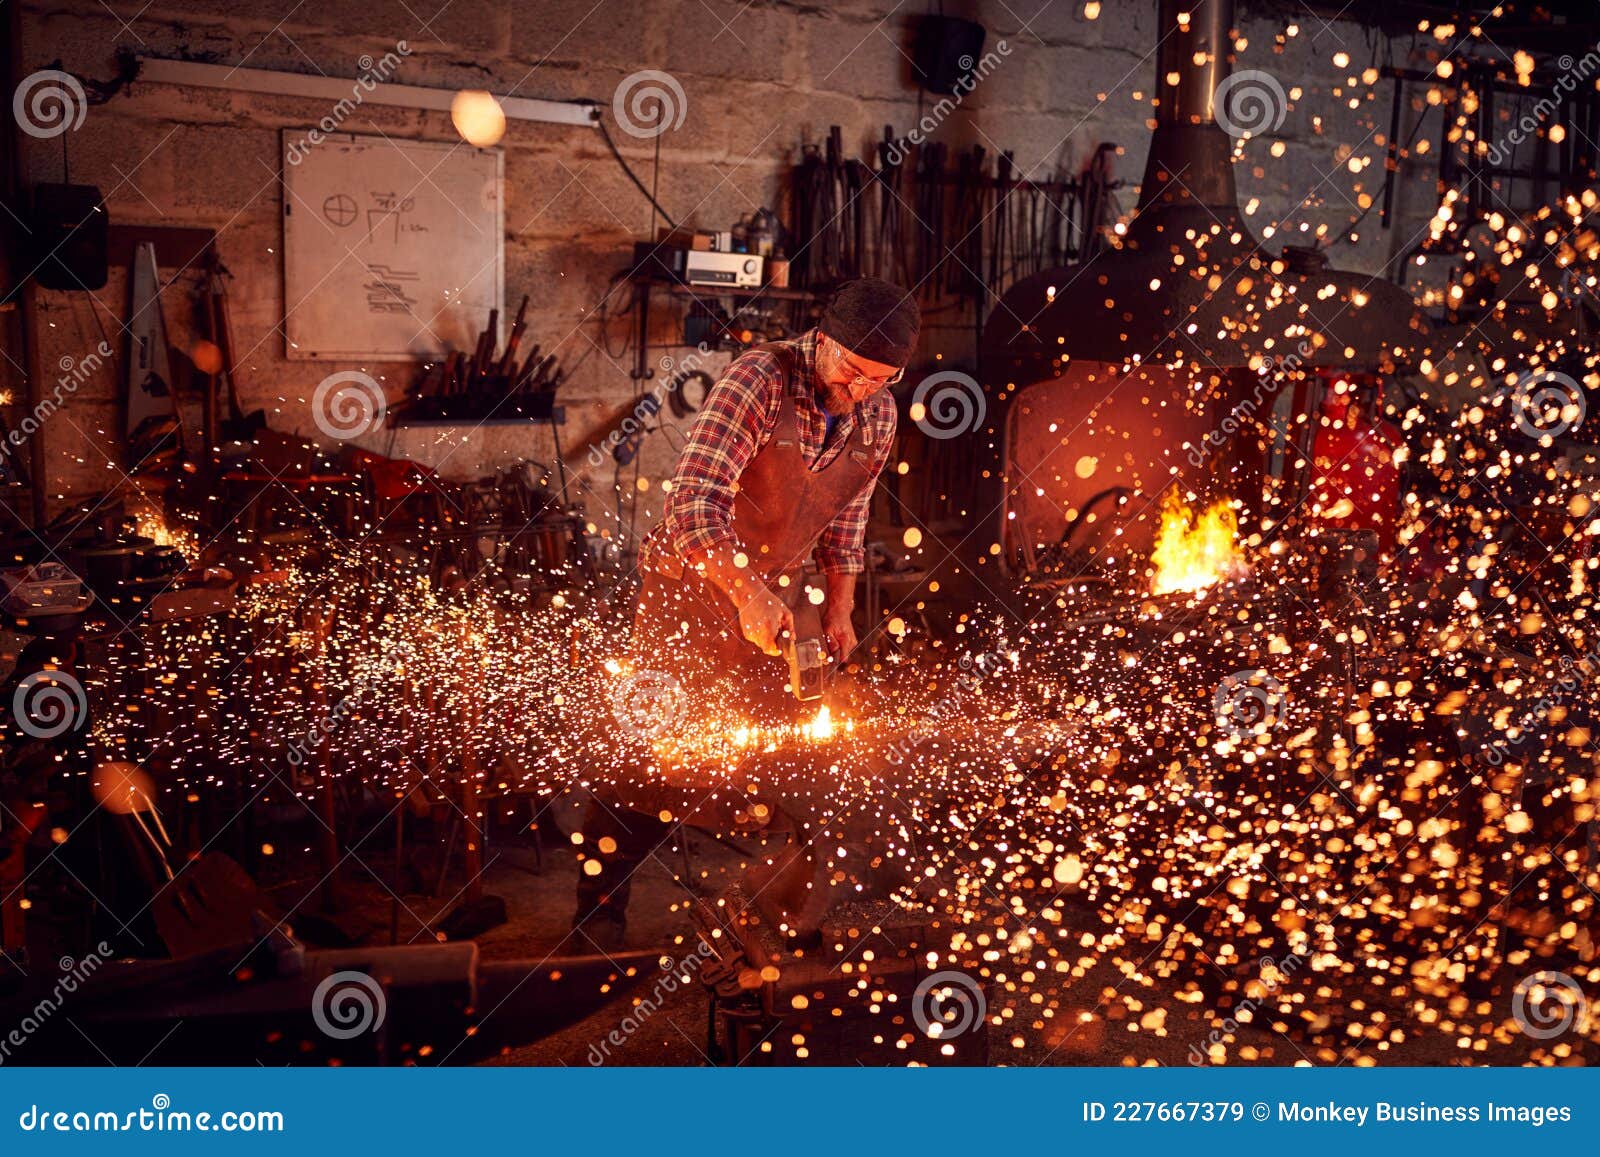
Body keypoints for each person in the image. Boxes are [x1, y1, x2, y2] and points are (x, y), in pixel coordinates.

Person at [574, 277, 921, 948]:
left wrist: (841, 611)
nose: (859, 389)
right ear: (822, 340)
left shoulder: (877, 414)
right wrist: (749, 594)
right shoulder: (758, 380)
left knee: (787, 751)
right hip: (690, 591)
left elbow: (846, 520)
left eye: (880, 379)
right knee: (653, 755)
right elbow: (693, 503)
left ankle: (780, 906)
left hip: (773, 595)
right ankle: (597, 913)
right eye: (850, 369)